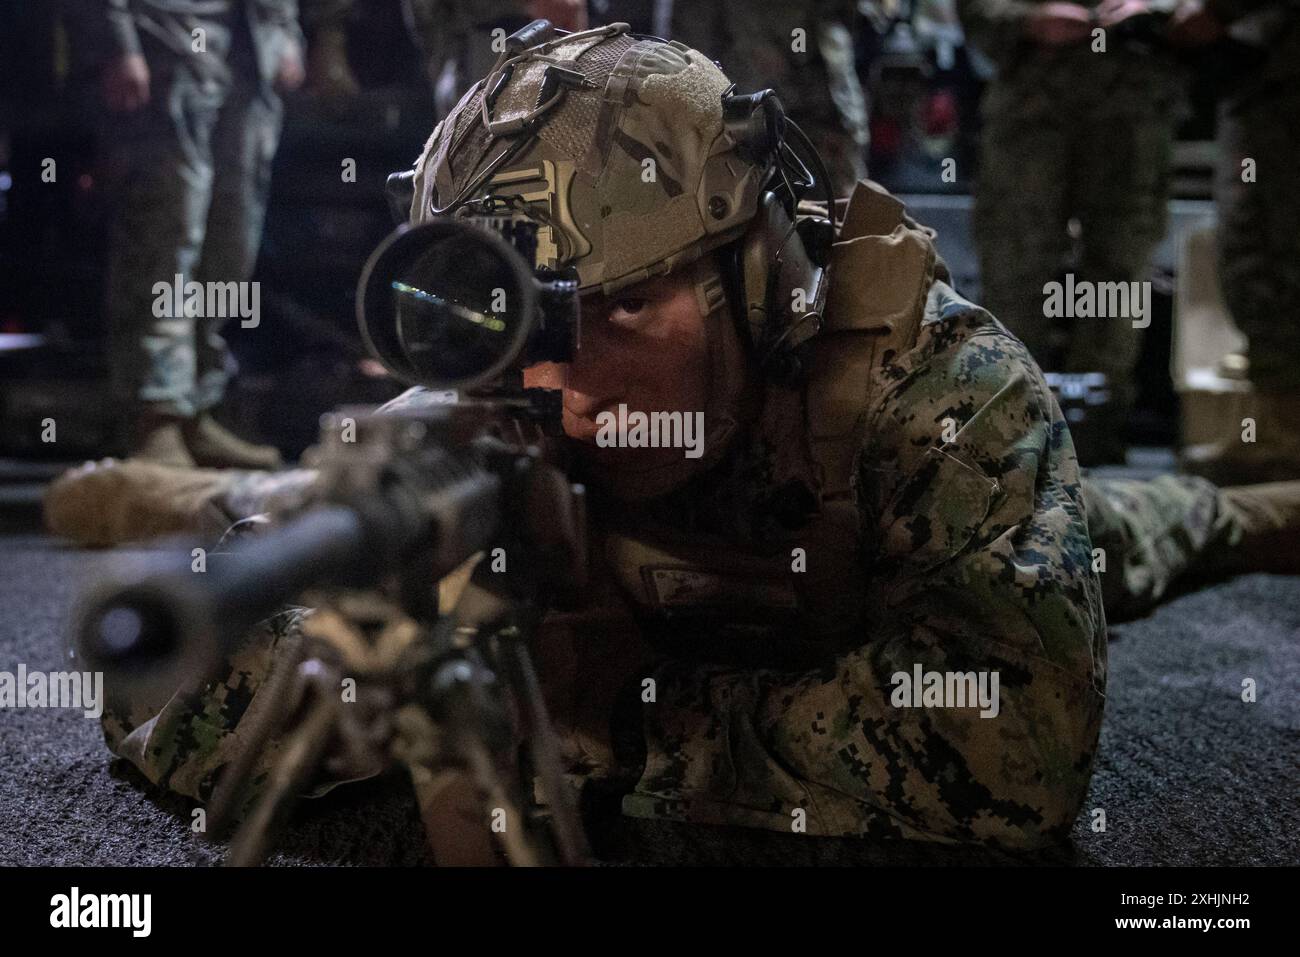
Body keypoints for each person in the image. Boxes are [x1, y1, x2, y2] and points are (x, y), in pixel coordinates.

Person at [48, 22, 1300, 854]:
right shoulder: (475, 428)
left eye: (614, 312)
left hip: (874, 572)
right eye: (506, 325)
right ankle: (138, 487)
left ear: (752, 272)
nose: (552, 374)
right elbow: (174, 688)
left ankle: (1253, 502)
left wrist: (605, 721)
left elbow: (1008, 756)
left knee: (1147, 528)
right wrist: (375, 666)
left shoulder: (932, 382)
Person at [62, 0, 305, 469]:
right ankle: (157, 414)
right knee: (165, 238)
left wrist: (284, 30)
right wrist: (116, 42)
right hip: (162, 38)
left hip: (248, 47)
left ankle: (196, 406)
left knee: (230, 244)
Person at [958, 0, 1185, 464]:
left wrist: (1155, 9)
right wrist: (1025, 19)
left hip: (1132, 98)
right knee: (1015, 264)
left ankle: (1096, 428)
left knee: (1119, 271)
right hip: (1032, 100)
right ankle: (1007, 422)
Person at [1170, 0, 1300, 484]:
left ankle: (1283, 438)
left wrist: (1213, 9)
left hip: (1277, 81)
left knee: (1265, 252)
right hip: (1264, 73)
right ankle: (1277, 427)